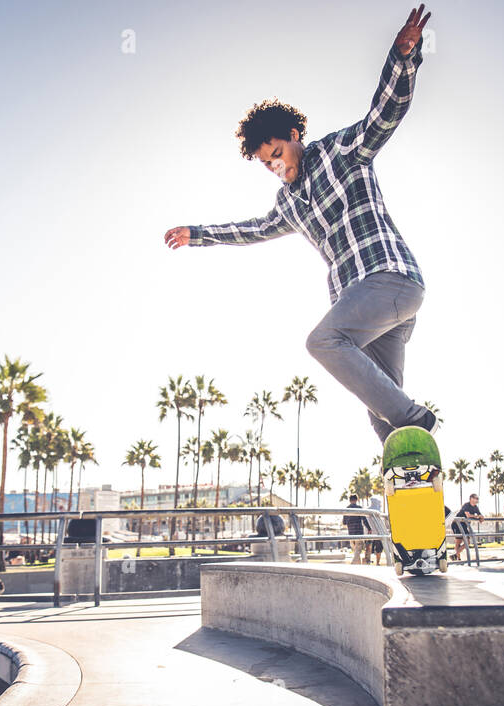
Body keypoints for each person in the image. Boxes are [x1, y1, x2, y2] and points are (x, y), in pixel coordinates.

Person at [163, 6, 437, 445]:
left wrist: (402, 58)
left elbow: (384, 116)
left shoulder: (340, 152)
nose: (274, 166)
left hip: (391, 280)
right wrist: (197, 235)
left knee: (323, 341)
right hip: (368, 308)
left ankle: (416, 418)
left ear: (294, 134)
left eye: (277, 154)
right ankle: (418, 490)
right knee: (380, 414)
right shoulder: (288, 203)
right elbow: (252, 229)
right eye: (266, 163)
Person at [452, 493, 483, 558]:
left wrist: (481, 517)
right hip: (457, 524)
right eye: (476, 498)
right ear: (471, 499)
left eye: (477, 499)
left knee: (467, 542)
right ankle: (458, 558)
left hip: (464, 524)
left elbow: (481, 516)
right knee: (458, 542)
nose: (477, 500)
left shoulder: (475, 507)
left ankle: (455, 555)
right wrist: (477, 516)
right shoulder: (466, 505)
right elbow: (468, 515)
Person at [343, 494, 369, 564]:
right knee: (358, 550)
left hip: (351, 532)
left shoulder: (346, 509)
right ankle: (353, 563)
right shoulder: (359, 508)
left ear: (350, 500)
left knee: (355, 550)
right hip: (359, 531)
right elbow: (364, 520)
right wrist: (369, 528)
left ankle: (358, 564)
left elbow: (344, 522)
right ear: (356, 500)